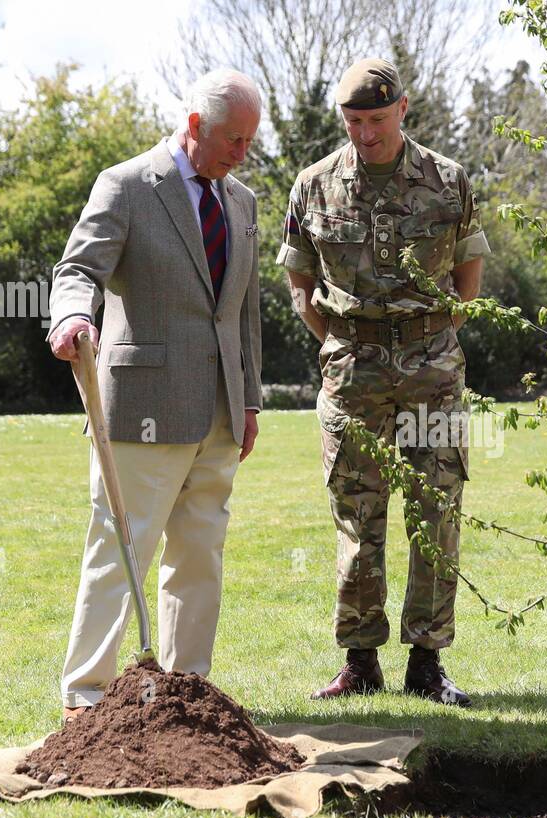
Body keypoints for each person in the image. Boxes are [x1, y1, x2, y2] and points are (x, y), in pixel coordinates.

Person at [46, 70, 264, 720]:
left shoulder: (243, 201)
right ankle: (86, 703)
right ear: (194, 125)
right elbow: (78, 268)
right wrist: (70, 317)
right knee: (121, 552)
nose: (241, 153)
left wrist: (249, 399)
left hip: (221, 413)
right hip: (141, 410)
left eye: (250, 141)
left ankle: (185, 696)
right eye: (232, 138)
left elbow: (243, 310)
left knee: (200, 557)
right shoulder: (128, 185)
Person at [277, 58, 490, 705]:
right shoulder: (313, 186)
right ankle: (360, 660)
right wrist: (347, 345)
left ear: (402, 109)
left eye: (374, 120)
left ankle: (426, 663)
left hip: (431, 368)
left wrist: (429, 335)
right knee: (356, 515)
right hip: (352, 372)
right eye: (352, 122)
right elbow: (300, 285)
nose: (364, 134)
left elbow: (469, 274)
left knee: (438, 508)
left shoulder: (446, 180)